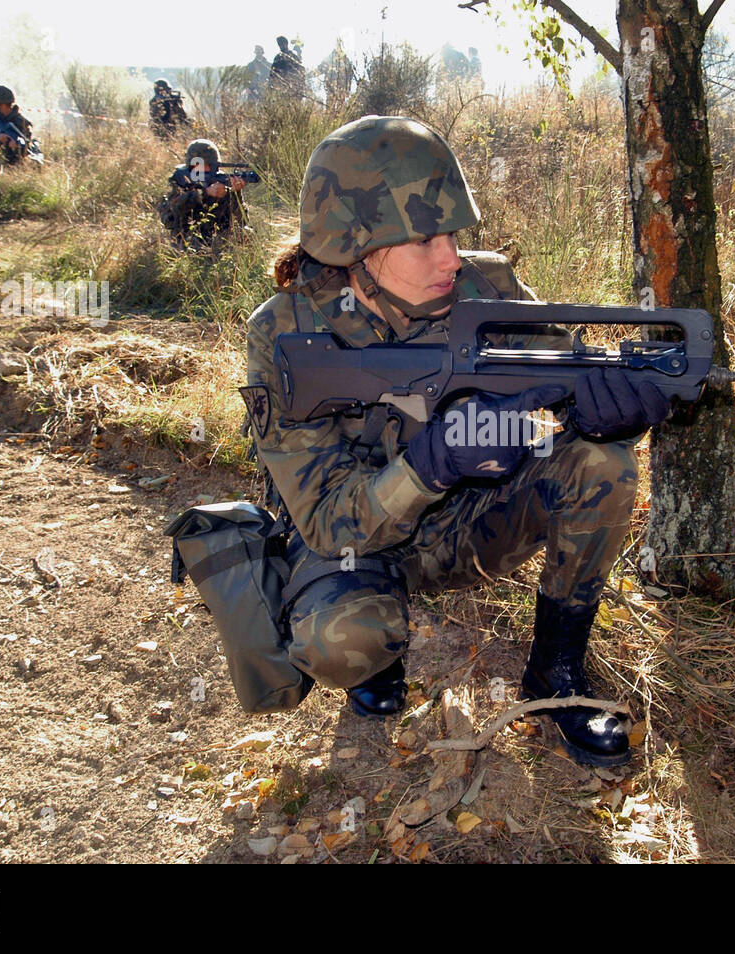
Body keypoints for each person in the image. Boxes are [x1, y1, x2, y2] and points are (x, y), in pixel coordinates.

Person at [241, 116, 670, 767]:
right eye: (424, 239)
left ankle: (556, 674)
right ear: (355, 251)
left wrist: (616, 414)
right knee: (344, 638)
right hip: (350, 545)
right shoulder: (286, 333)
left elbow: (569, 383)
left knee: (602, 464)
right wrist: (428, 463)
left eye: (452, 233)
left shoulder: (486, 289)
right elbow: (328, 522)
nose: (451, 257)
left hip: (461, 531)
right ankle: (376, 653)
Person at [158, 138, 247, 252]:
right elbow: (175, 208)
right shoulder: (180, 179)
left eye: (212, 165)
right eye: (203, 165)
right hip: (188, 237)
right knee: (195, 248)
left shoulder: (221, 179)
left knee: (246, 232)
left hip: (218, 238)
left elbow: (241, 220)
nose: (208, 169)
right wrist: (205, 193)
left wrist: (236, 193)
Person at [0, 85, 38, 165]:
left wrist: (17, 145)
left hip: (14, 159)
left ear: (2, 102)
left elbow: (27, 142)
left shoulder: (20, 121)